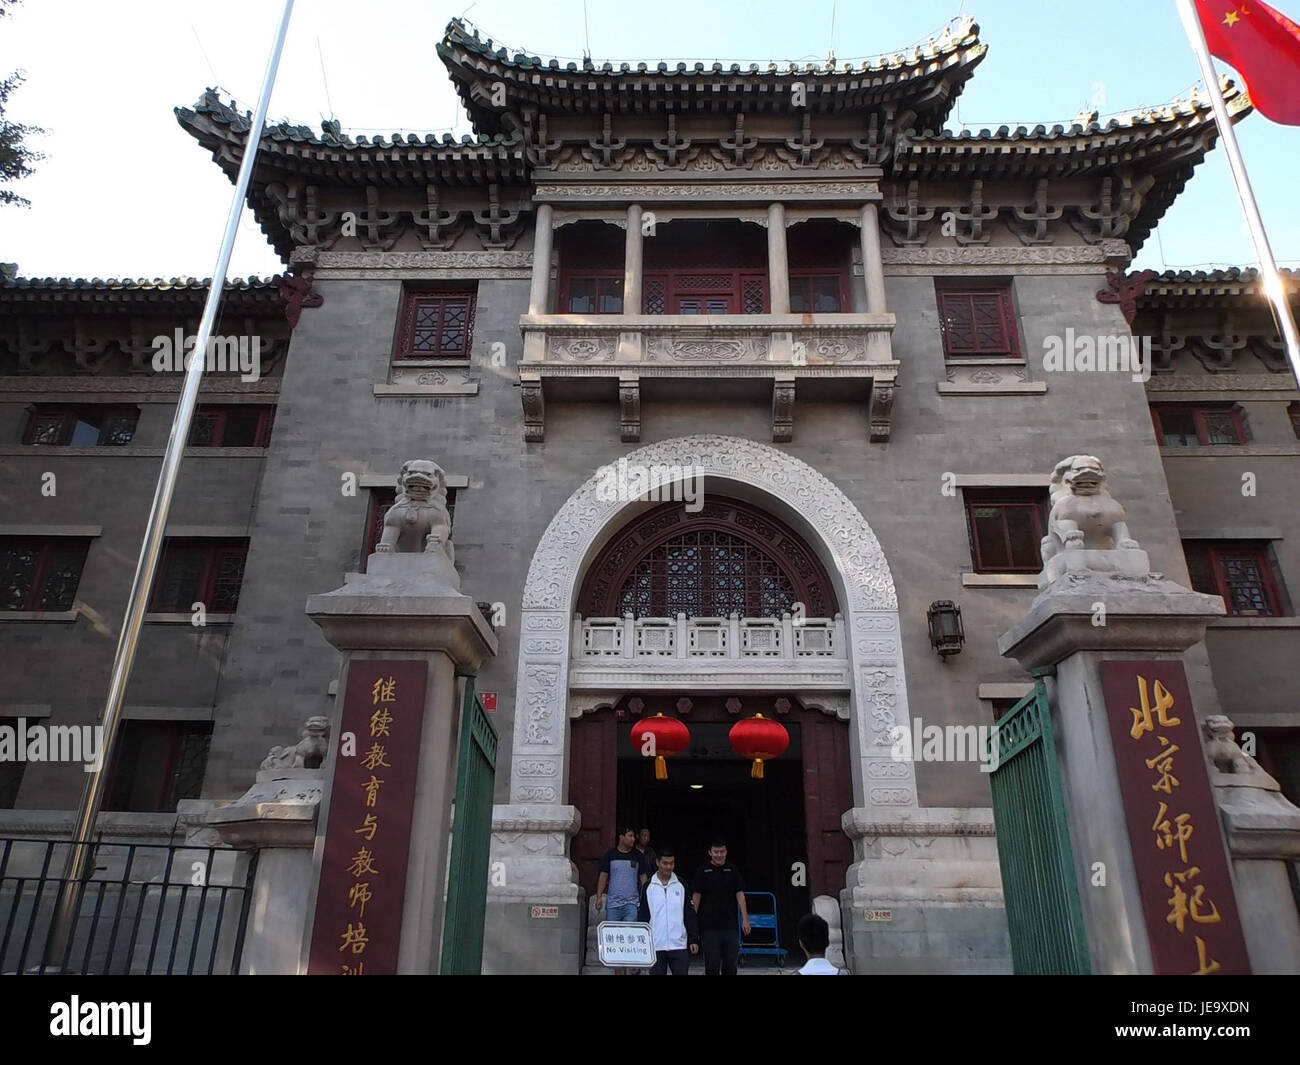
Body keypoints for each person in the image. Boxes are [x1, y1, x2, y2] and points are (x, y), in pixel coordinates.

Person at [691, 838, 750, 976]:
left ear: (726, 852)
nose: (719, 855)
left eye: (722, 851)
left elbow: (740, 894)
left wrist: (745, 919)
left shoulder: (732, 870)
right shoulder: (703, 871)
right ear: (710, 853)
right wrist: (693, 925)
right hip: (709, 928)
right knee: (712, 965)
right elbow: (696, 897)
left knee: (730, 965)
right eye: (716, 852)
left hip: (731, 927)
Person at [637, 848, 698, 975]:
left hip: (679, 944)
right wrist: (642, 942)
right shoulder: (648, 886)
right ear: (657, 863)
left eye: (672, 863)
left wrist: (693, 939)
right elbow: (643, 916)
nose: (669, 867)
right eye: (665, 863)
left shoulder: (681, 884)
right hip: (655, 944)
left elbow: (689, 913)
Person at [595, 825, 648, 923]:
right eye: (630, 836)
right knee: (613, 934)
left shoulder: (638, 856)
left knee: (629, 935)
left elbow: (643, 878)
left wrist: (644, 898)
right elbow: (603, 876)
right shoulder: (610, 855)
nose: (633, 839)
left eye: (633, 836)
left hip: (632, 904)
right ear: (621, 837)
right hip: (613, 904)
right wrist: (599, 897)